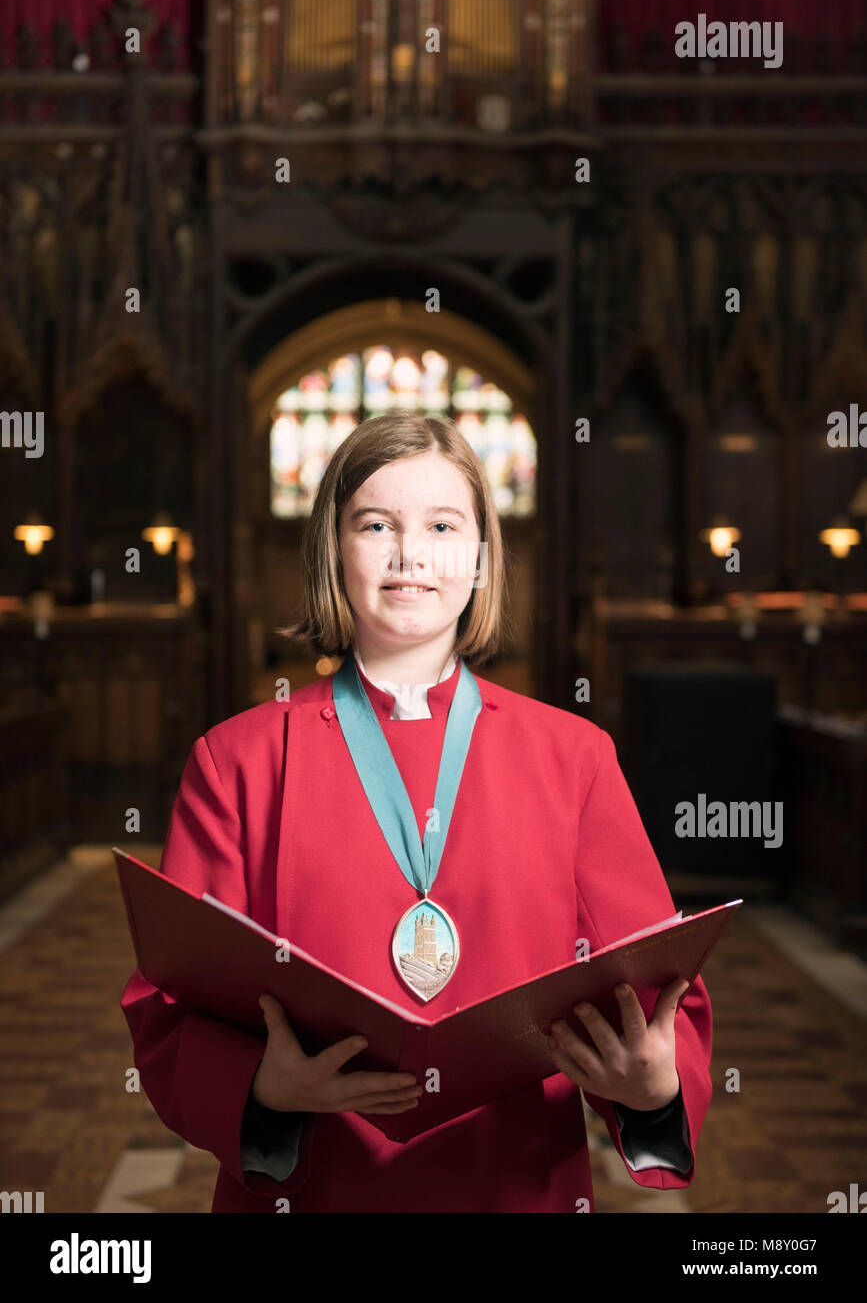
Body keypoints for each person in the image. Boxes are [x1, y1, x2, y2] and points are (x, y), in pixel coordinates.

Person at [121, 410, 712, 1213]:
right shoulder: (236, 761)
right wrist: (261, 1087)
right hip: (312, 1188)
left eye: (442, 523)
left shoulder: (574, 757)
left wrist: (651, 1087)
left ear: (479, 555)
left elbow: (655, 989)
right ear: (333, 548)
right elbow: (169, 1003)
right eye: (375, 523)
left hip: (515, 1183)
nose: (410, 553)